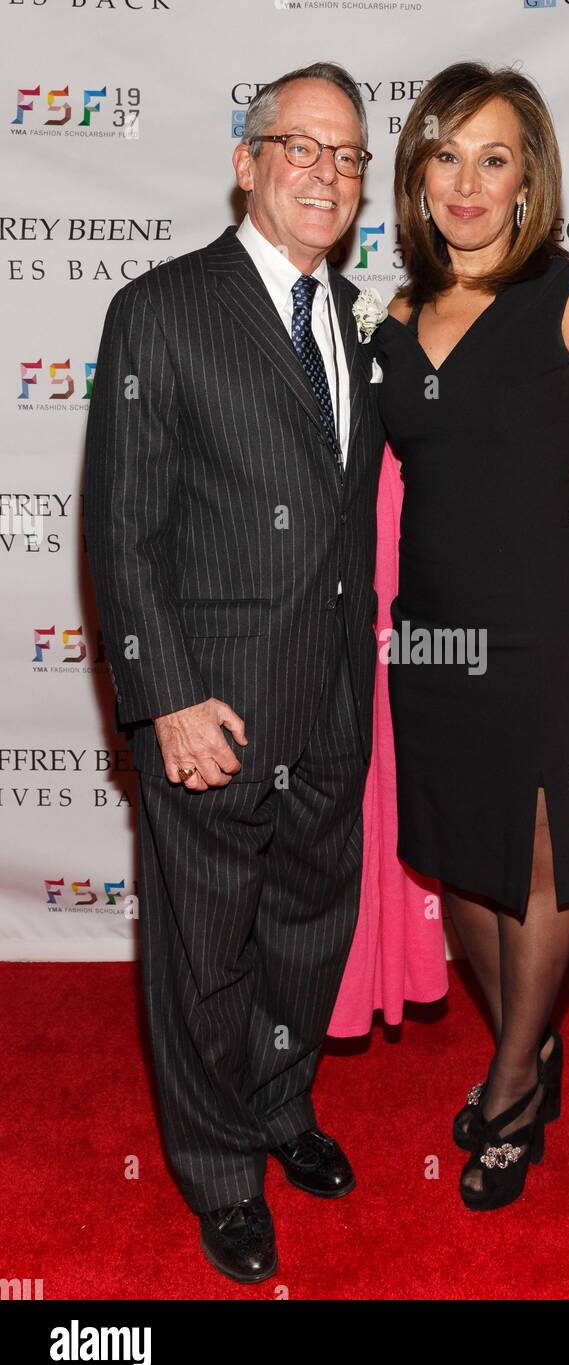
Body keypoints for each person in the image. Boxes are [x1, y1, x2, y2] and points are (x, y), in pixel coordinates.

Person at [368, 62, 569, 1210]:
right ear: (417, 177)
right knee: (460, 859)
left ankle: (512, 1086)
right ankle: (533, 1043)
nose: (465, 182)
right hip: (426, 640)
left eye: (492, 158)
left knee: (541, 862)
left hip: (546, 631)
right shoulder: (396, 318)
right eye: (445, 156)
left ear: (526, 180)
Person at [83, 63, 384, 1280]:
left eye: (349, 155)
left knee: (309, 930)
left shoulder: (351, 315)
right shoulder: (159, 310)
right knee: (203, 950)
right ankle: (216, 1169)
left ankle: (276, 1103)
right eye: (298, 146)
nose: (325, 170)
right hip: (210, 702)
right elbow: (123, 527)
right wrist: (160, 697)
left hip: (328, 701)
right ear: (245, 162)